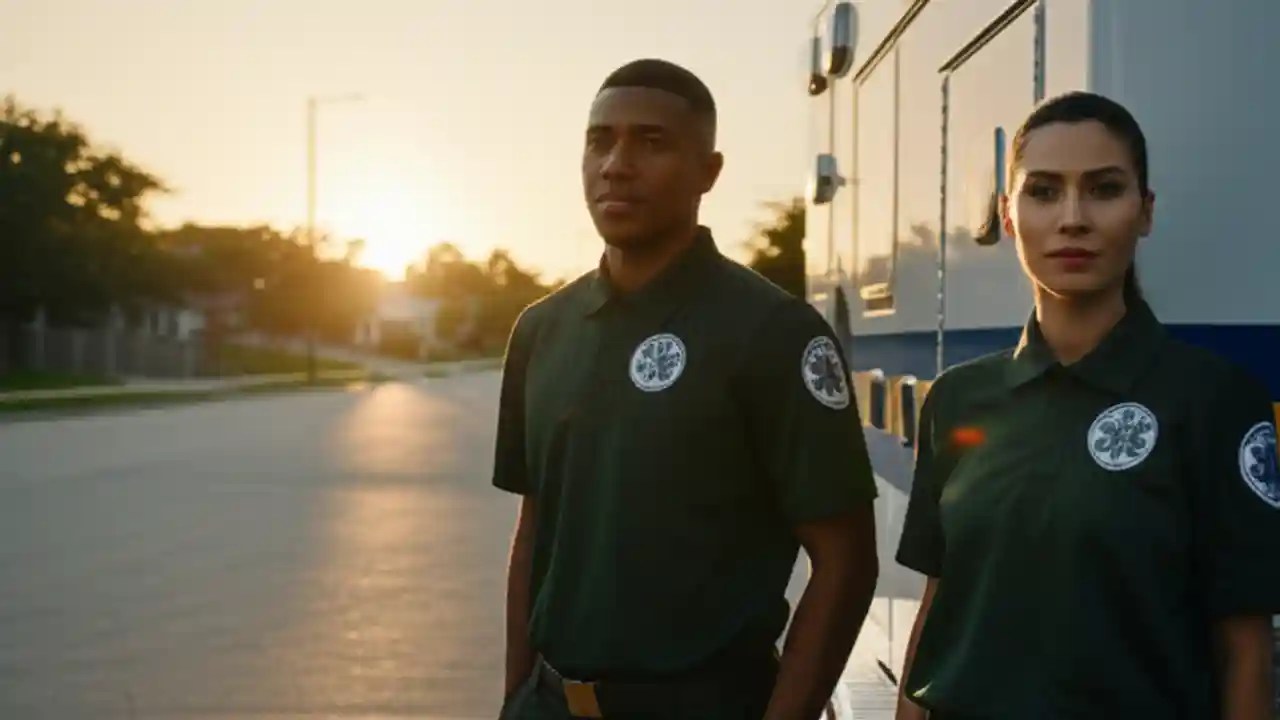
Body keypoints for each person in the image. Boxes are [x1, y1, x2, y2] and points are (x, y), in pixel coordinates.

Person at [492, 58, 881, 719]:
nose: (616, 164)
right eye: (599, 140)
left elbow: (845, 562)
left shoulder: (773, 332)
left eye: (651, 142)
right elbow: (535, 533)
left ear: (709, 171)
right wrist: (518, 698)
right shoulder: (541, 330)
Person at [894, 91, 1280, 719]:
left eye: (1104, 189)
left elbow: (1246, 652)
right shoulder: (958, 399)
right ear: (1008, 214)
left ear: (1145, 211)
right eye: (1043, 192)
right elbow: (941, 606)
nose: (1073, 218)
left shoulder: (1215, 401)